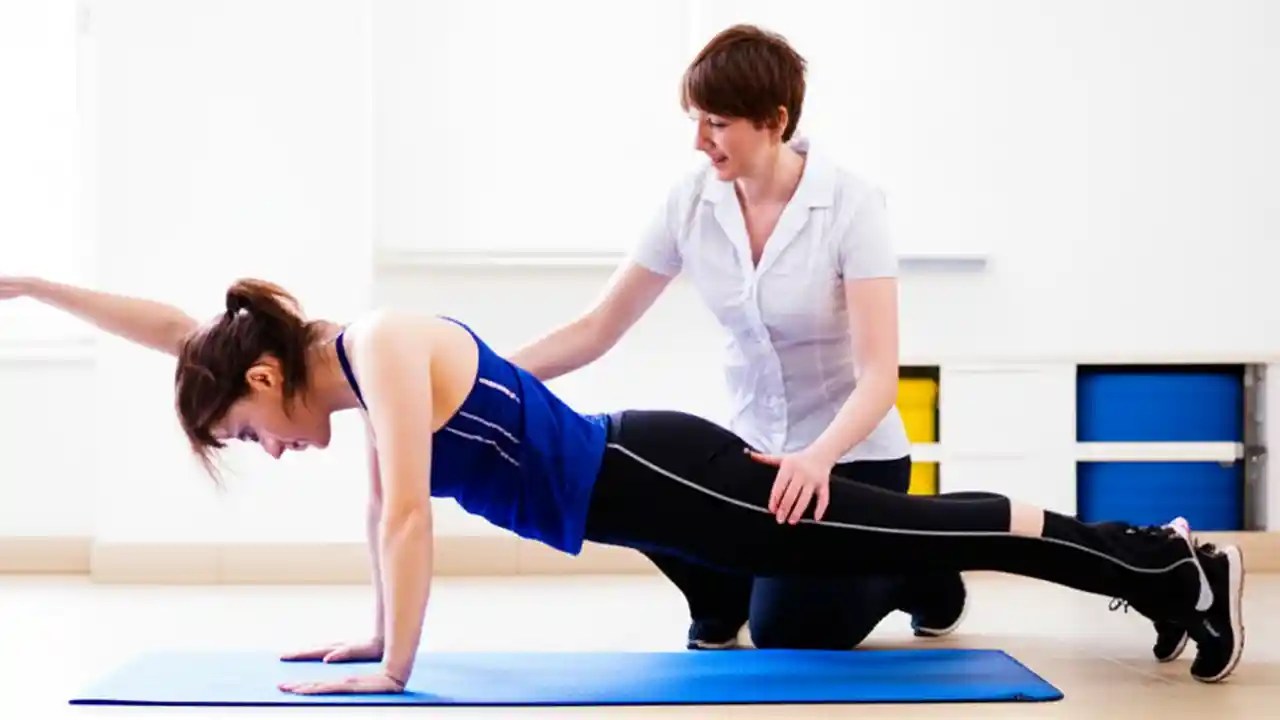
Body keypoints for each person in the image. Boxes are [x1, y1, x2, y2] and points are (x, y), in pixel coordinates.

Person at [0, 275, 1245, 694]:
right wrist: (30, 290)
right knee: (763, 612)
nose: (266, 450)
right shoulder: (304, 363)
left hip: (653, 475)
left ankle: (1159, 559)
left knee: (886, 519)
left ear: (268, 377)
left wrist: (391, 662)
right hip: (633, 507)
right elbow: (182, 327)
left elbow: (397, 515)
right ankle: (1006, 563)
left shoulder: (373, 347)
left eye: (249, 433)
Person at [507, 23, 949, 650]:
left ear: (774, 120)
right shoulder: (689, 202)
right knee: (622, 477)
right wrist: (479, 375)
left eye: (716, 123)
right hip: (755, 457)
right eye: (696, 120)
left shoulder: (853, 206)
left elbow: (880, 376)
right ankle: (722, 591)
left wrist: (817, 457)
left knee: (791, 632)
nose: (699, 141)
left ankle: (919, 566)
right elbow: (599, 327)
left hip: (850, 462)